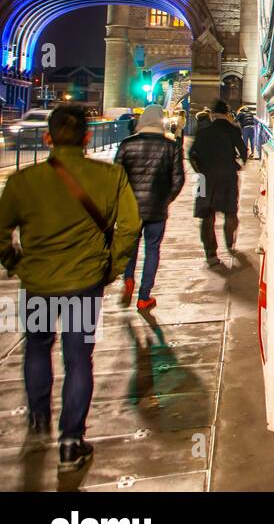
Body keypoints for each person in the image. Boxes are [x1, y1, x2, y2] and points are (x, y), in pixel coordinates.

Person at [0, 104, 140, 472]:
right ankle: (71, 440)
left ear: (47, 138)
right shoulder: (110, 178)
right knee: (79, 359)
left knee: (37, 347)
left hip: (38, 284)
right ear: (88, 137)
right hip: (83, 284)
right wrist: (111, 267)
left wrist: (15, 262)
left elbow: (1, 234)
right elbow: (129, 227)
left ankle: (37, 415)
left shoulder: (22, 183)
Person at [114, 104, 185, 311]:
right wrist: (165, 199)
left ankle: (128, 279)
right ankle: (144, 296)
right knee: (152, 249)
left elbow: (115, 176)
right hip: (157, 208)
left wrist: (122, 201)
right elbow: (178, 179)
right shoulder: (170, 146)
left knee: (131, 247)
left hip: (131, 210)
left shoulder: (127, 144)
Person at [188, 99, 246, 267]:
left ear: (213, 115)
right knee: (230, 212)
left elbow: (191, 154)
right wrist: (238, 165)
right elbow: (243, 152)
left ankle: (211, 253)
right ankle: (229, 242)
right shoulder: (233, 130)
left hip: (206, 177)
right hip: (228, 176)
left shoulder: (203, 131)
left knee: (206, 216)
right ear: (227, 114)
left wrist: (199, 171)